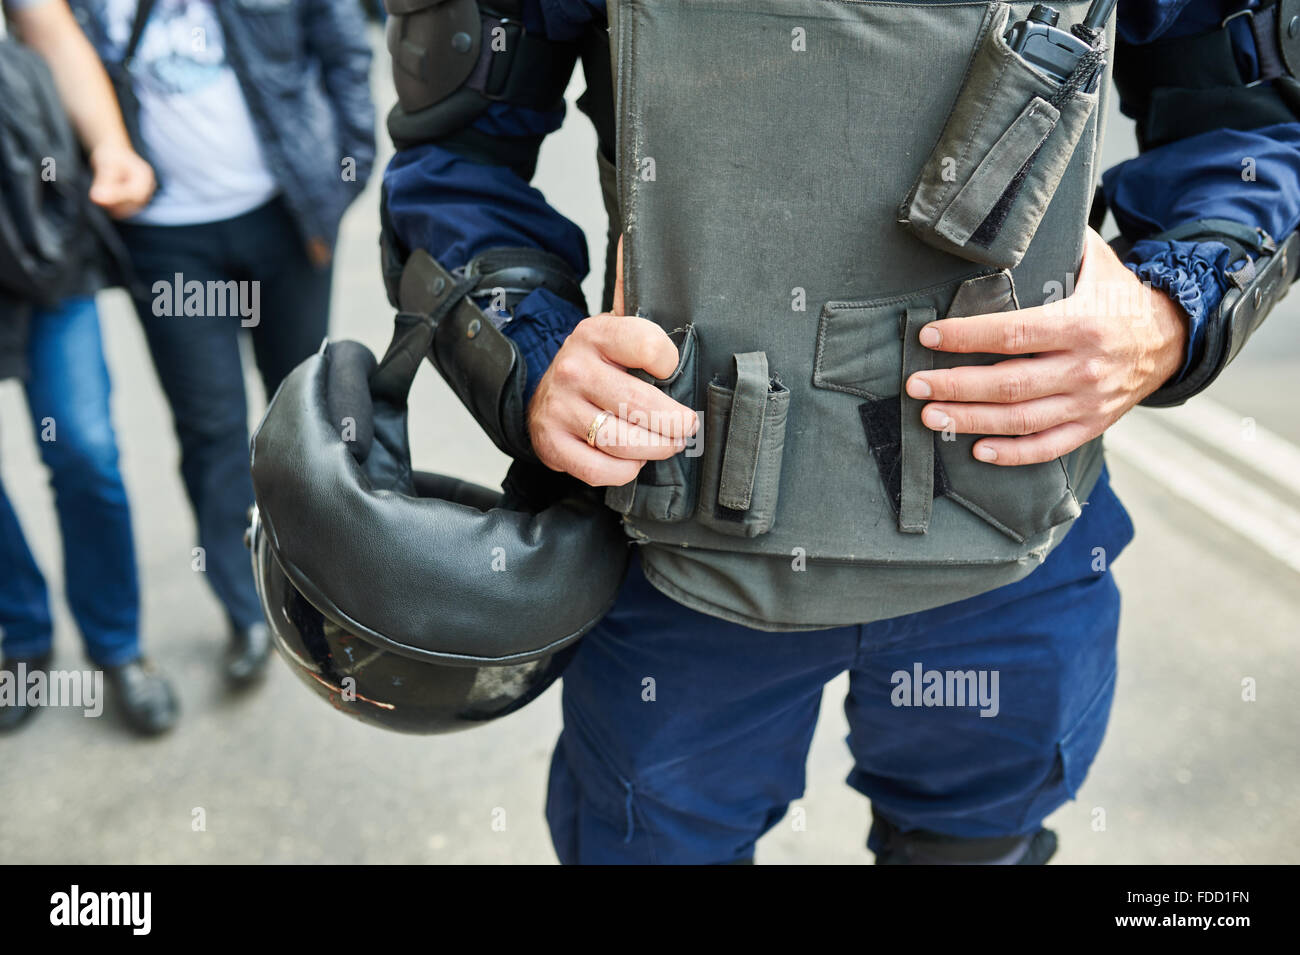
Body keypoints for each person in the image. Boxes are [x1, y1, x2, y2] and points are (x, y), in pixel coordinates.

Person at [381, 0, 1300, 863]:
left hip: (1008, 541)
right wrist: (533, 358)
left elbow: (1252, 128)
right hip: (678, 551)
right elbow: (454, 163)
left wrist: (1170, 313)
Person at [69, 0, 376, 684]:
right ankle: (249, 610)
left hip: (285, 218)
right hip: (166, 241)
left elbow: (343, 43)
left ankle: (333, 593)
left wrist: (347, 160)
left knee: (308, 417)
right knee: (211, 430)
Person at [0, 0, 177, 735]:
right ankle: (22, 637)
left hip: (30, 221)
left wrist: (110, 145)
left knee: (84, 446)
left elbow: (44, 21)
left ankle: (117, 645)